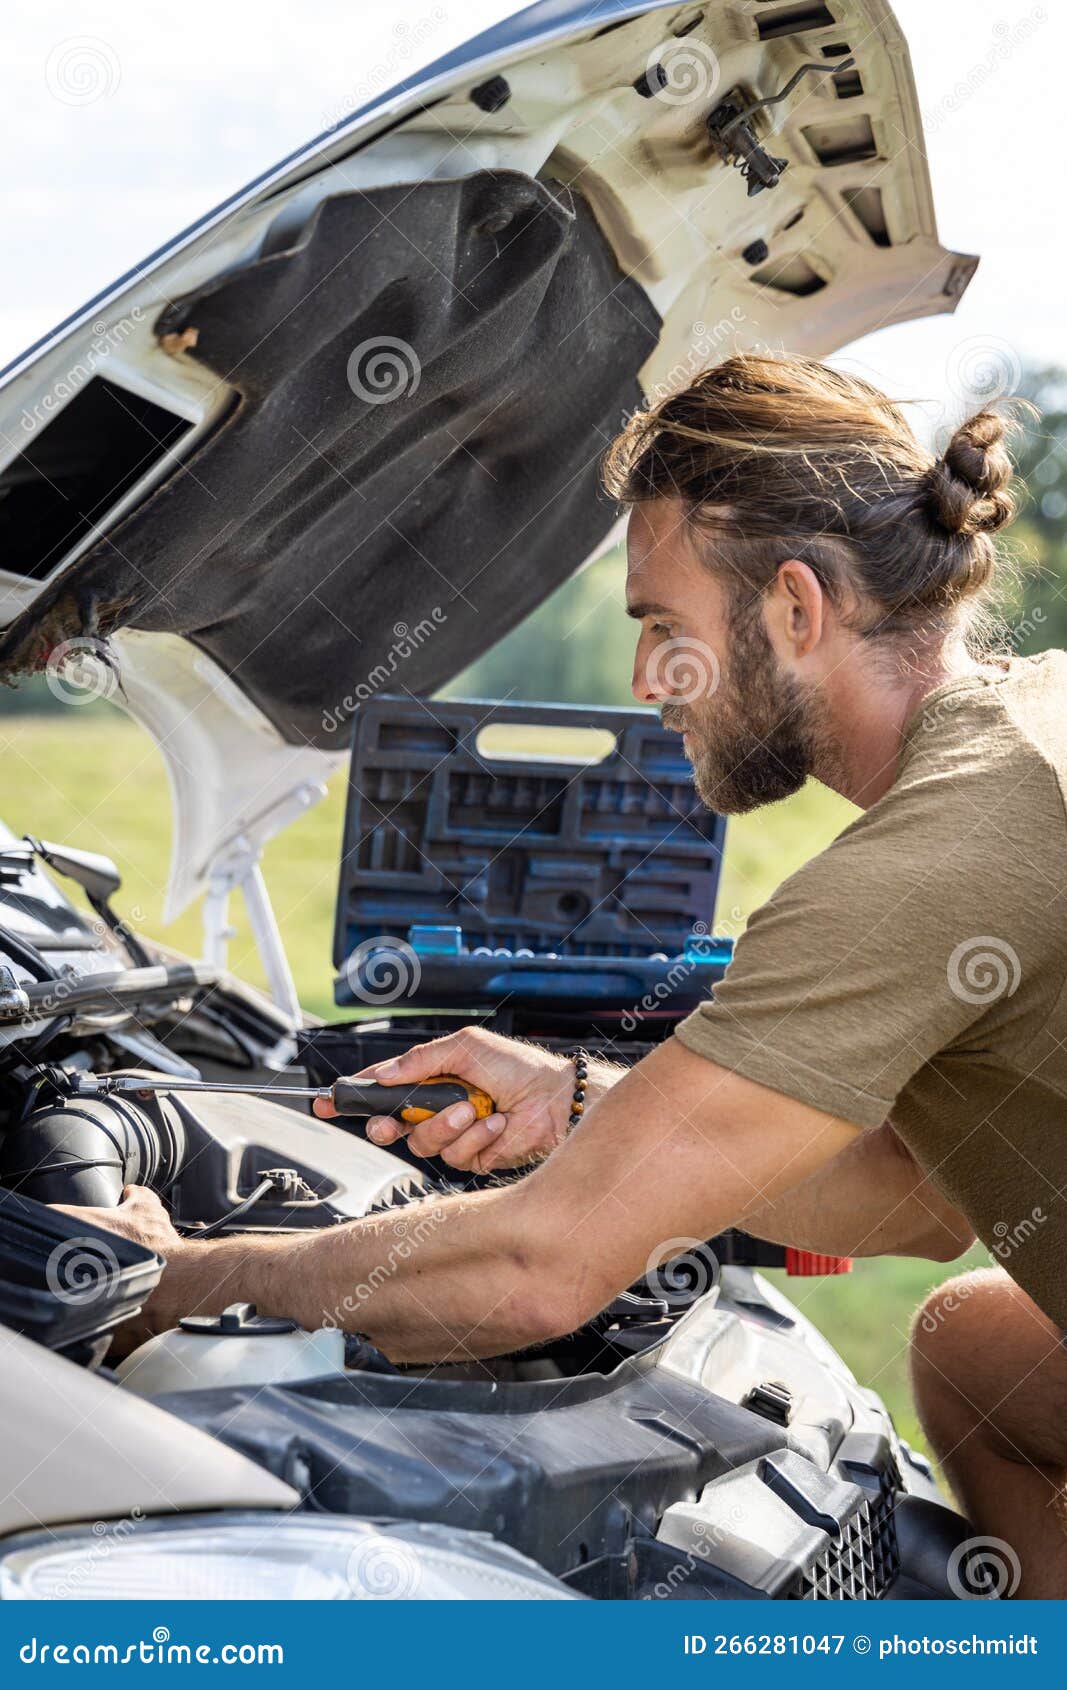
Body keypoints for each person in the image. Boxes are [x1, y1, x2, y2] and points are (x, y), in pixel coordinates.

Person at [71, 354, 1067, 1595]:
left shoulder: (924, 865)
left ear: (797, 610)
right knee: (979, 1347)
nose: (649, 680)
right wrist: (584, 1102)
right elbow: (919, 1198)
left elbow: (532, 1269)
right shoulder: (1029, 731)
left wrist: (190, 1277)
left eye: (663, 627)